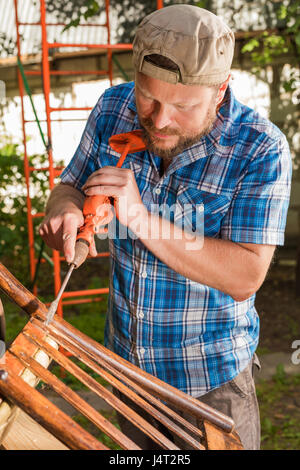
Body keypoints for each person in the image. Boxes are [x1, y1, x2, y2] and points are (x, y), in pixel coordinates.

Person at [39, 5, 292, 450]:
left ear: (220, 91)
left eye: (182, 106)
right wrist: (65, 210)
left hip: (210, 385)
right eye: (148, 98)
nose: (158, 119)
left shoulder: (260, 149)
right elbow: (70, 187)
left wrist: (139, 218)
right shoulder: (113, 107)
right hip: (126, 371)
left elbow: (245, 276)